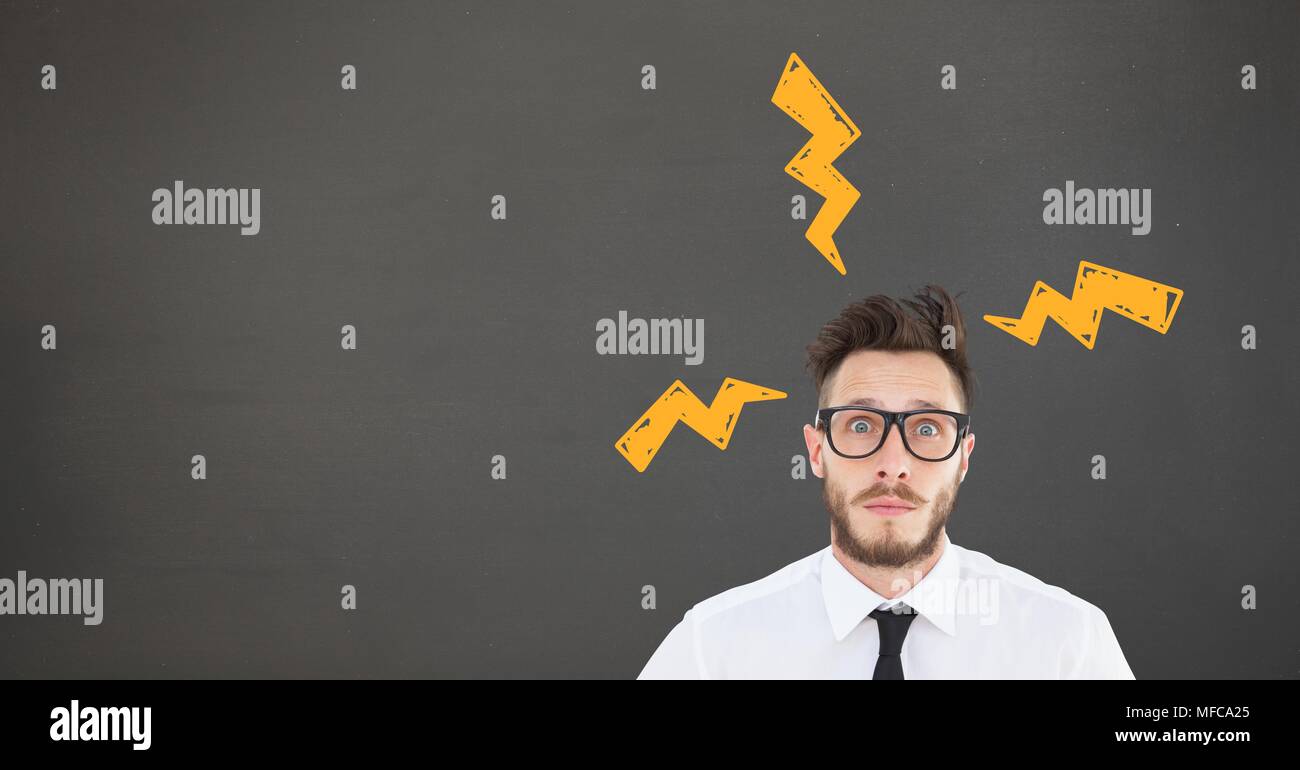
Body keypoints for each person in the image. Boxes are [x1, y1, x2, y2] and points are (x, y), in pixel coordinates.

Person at [637, 285, 1135, 679]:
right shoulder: (713, 648)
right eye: (860, 425)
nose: (893, 464)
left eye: (925, 428)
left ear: (963, 458)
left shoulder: (1067, 643)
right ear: (816, 451)